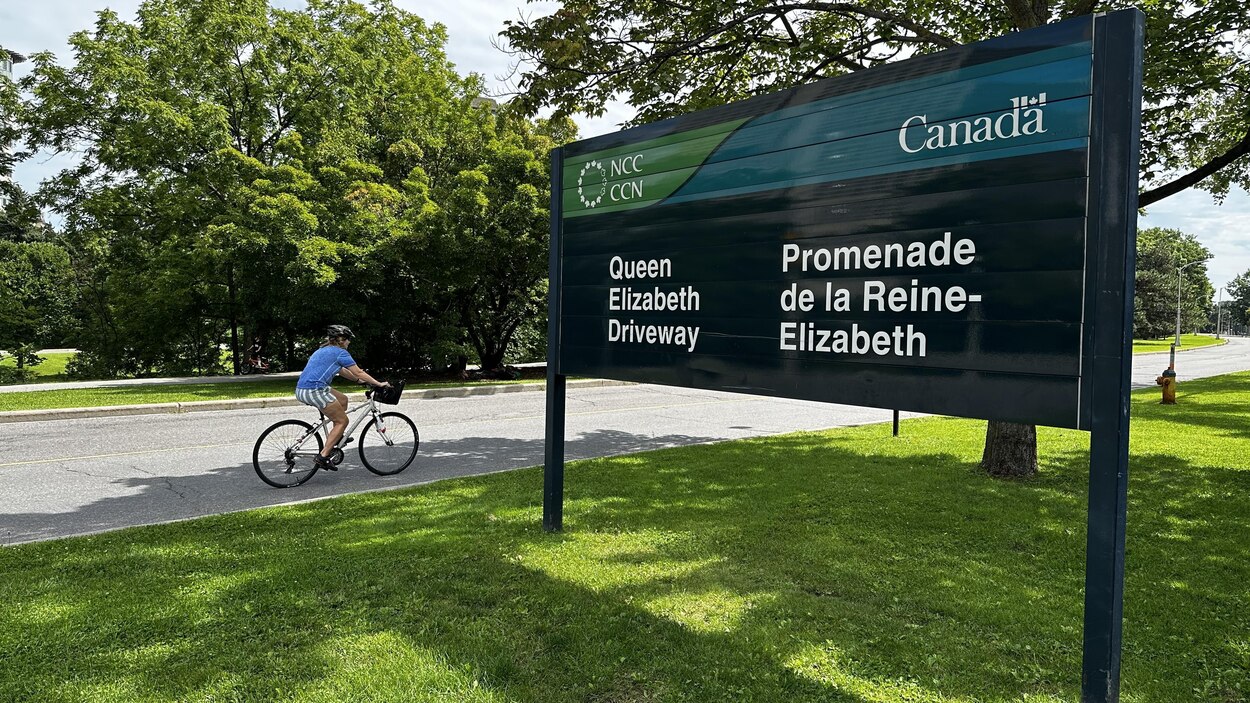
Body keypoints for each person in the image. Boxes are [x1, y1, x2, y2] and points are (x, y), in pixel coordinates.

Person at [294, 325, 389, 471]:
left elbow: (343, 371)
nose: (349, 342)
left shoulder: (323, 350)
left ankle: (336, 437)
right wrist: (378, 383)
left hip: (303, 389)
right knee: (342, 420)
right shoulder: (340, 352)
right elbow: (358, 371)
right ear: (340, 340)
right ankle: (323, 456)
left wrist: (358, 381)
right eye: (348, 339)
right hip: (314, 390)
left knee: (343, 400)